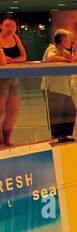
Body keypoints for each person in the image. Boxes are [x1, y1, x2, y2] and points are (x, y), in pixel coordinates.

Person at [41, 31, 77, 142]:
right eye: (70, 40)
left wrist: (70, 57)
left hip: (63, 88)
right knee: (56, 112)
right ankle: (56, 136)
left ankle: (67, 134)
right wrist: (66, 59)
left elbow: (72, 58)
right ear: (63, 41)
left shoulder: (63, 51)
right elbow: (51, 58)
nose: (71, 42)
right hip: (53, 88)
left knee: (70, 110)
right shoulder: (52, 49)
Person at [0, 15, 26, 146]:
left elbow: (23, 57)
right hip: (1, 78)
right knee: (0, 110)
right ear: (1, 26)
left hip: (13, 77)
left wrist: (11, 60)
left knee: (12, 110)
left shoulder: (15, 38)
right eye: (7, 25)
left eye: (13, 26)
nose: (10, 29)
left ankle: (7, 140)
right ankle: (0, 141)